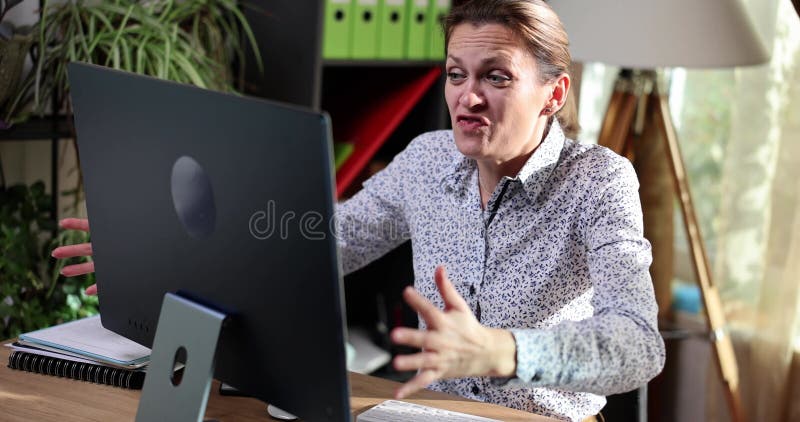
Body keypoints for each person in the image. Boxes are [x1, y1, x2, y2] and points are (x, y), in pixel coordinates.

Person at [52, 1, 665, 420]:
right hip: (427, 413)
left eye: (496, 77)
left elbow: (639, 346)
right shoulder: (427, 160)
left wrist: (504, 351)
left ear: (553, 93)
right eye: (456, 74)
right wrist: (158, 252)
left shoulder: (598, 181)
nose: (468, 97)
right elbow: (321, 240)